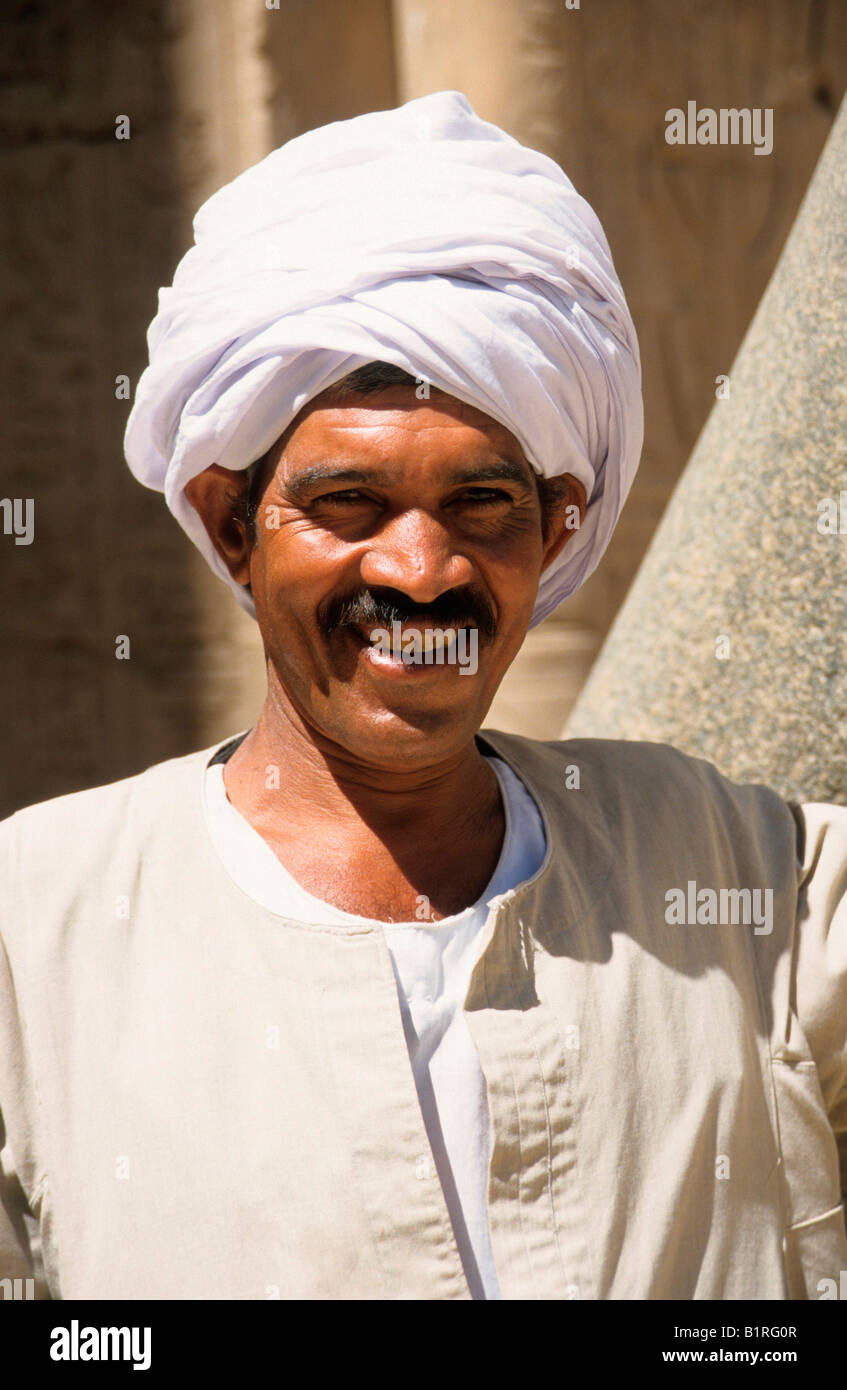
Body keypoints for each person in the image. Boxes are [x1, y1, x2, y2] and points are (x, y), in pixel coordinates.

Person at [1, 91, 845, 1302]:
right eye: (347, 504)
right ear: (235, 526)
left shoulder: (737, 872)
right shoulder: (35, 937)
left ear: (555, 531)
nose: (420, 568)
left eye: (481, 506)